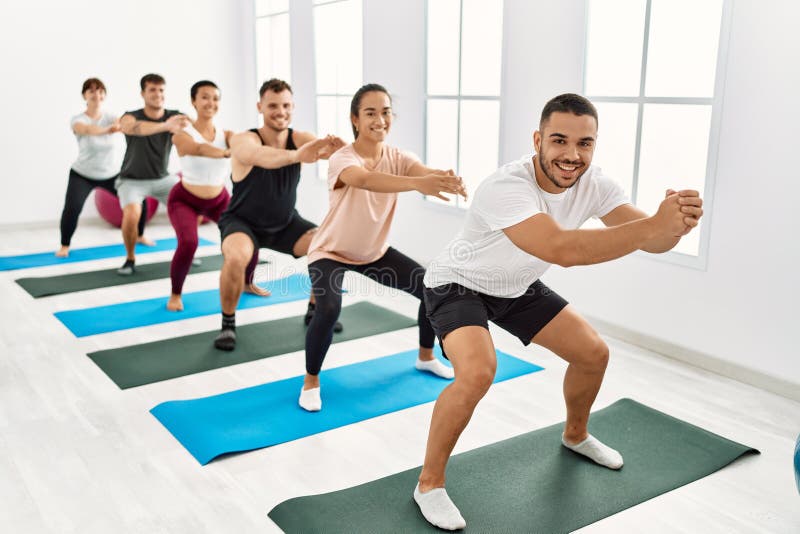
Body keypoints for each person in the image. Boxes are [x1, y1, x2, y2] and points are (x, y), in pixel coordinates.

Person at [413, 93, 705, 530]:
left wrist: (675, 224)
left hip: (515, 284)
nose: (571, 155)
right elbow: (561, 249)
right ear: (538, 140)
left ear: (594, 146)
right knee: (477, 372)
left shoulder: (596, 185)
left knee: (593, 354)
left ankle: (576, 435)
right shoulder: (506, 186)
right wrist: (653, 226)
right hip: (459, 283)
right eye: (559, 140)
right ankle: (429, 485)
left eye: (584, 144)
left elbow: (652, 239)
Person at [298, 83, 468, 412]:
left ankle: (425, 356)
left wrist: (444, 178)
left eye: (386, 111)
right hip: (329, 253)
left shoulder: (398, 157)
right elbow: (364, 180)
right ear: (355, 120)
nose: (380, 119)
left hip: (373, 253)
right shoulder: (342, 158)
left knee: (431, 287)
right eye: (371, 113)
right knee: (329, 308)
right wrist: (421, 184)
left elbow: (421, 171)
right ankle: (310, 381)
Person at [213, 79, 346, 351]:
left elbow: (329, 153)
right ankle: (228, 324)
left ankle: (315, 310)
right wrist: (300, 154)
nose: (280, 111)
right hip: (242, 223)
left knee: (330, 248)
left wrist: (341, 150)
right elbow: (260, 156)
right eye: (273, 105)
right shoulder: (244, 139)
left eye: (286, 105)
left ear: (293, 107)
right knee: (237, 257)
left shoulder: (300, 138)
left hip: (286, 223)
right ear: (260, 106)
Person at [57, 78, 149, 256]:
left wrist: (128, 125)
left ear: (104, 95)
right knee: (72, 209)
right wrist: (109, 129)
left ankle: (140, 235)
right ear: (85, 95)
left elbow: (125, 124)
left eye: (100, 91)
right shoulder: (78, 119)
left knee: (139, 200)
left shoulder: (110, 116)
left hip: (111, 174)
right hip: (82, 174)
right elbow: (88, 130)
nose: (96, 94)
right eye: (91, 91)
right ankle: (64, 246)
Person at [166, 80, 233, 311]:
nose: (211, 102)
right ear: (193, 101)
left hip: (218, 199)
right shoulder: (182, 134)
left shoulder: (227, 134)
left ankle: (247, 282)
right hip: (185, 199)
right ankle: (175, 294)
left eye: (215, 98)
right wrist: (225, 152)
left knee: (245, 236)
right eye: (205, 97)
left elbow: (249, 146)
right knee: (188, 242)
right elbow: (197, 148)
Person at [116, 73, 190, 275]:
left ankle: (187, 252)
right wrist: (166, 126)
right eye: (152, 90)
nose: (157, 94)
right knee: (132, 215)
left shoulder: (175, 116)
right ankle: (130, 259)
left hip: (162, 178)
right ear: (143, 93)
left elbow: (195, 129)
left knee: (190, 207)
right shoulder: (131, 116)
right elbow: (128, 127)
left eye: (161, 90)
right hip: (131, 180)